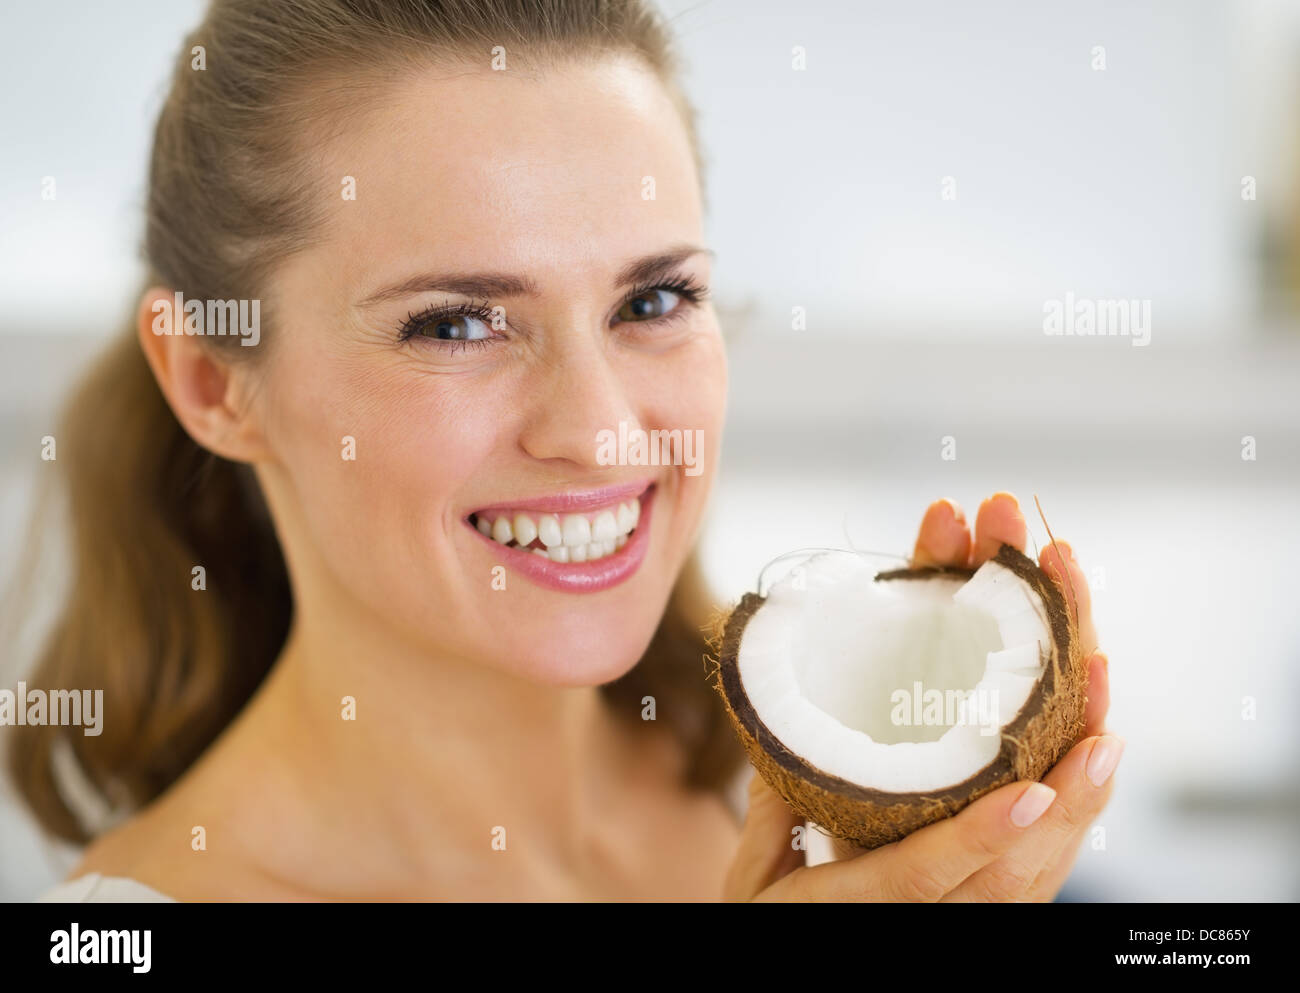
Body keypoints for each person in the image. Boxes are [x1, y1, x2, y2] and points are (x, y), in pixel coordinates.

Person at [13, 0, 1119, 902]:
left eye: (653, 297)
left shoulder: (866, 831)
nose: (599, 432)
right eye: (454, 323)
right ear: (214, 382)